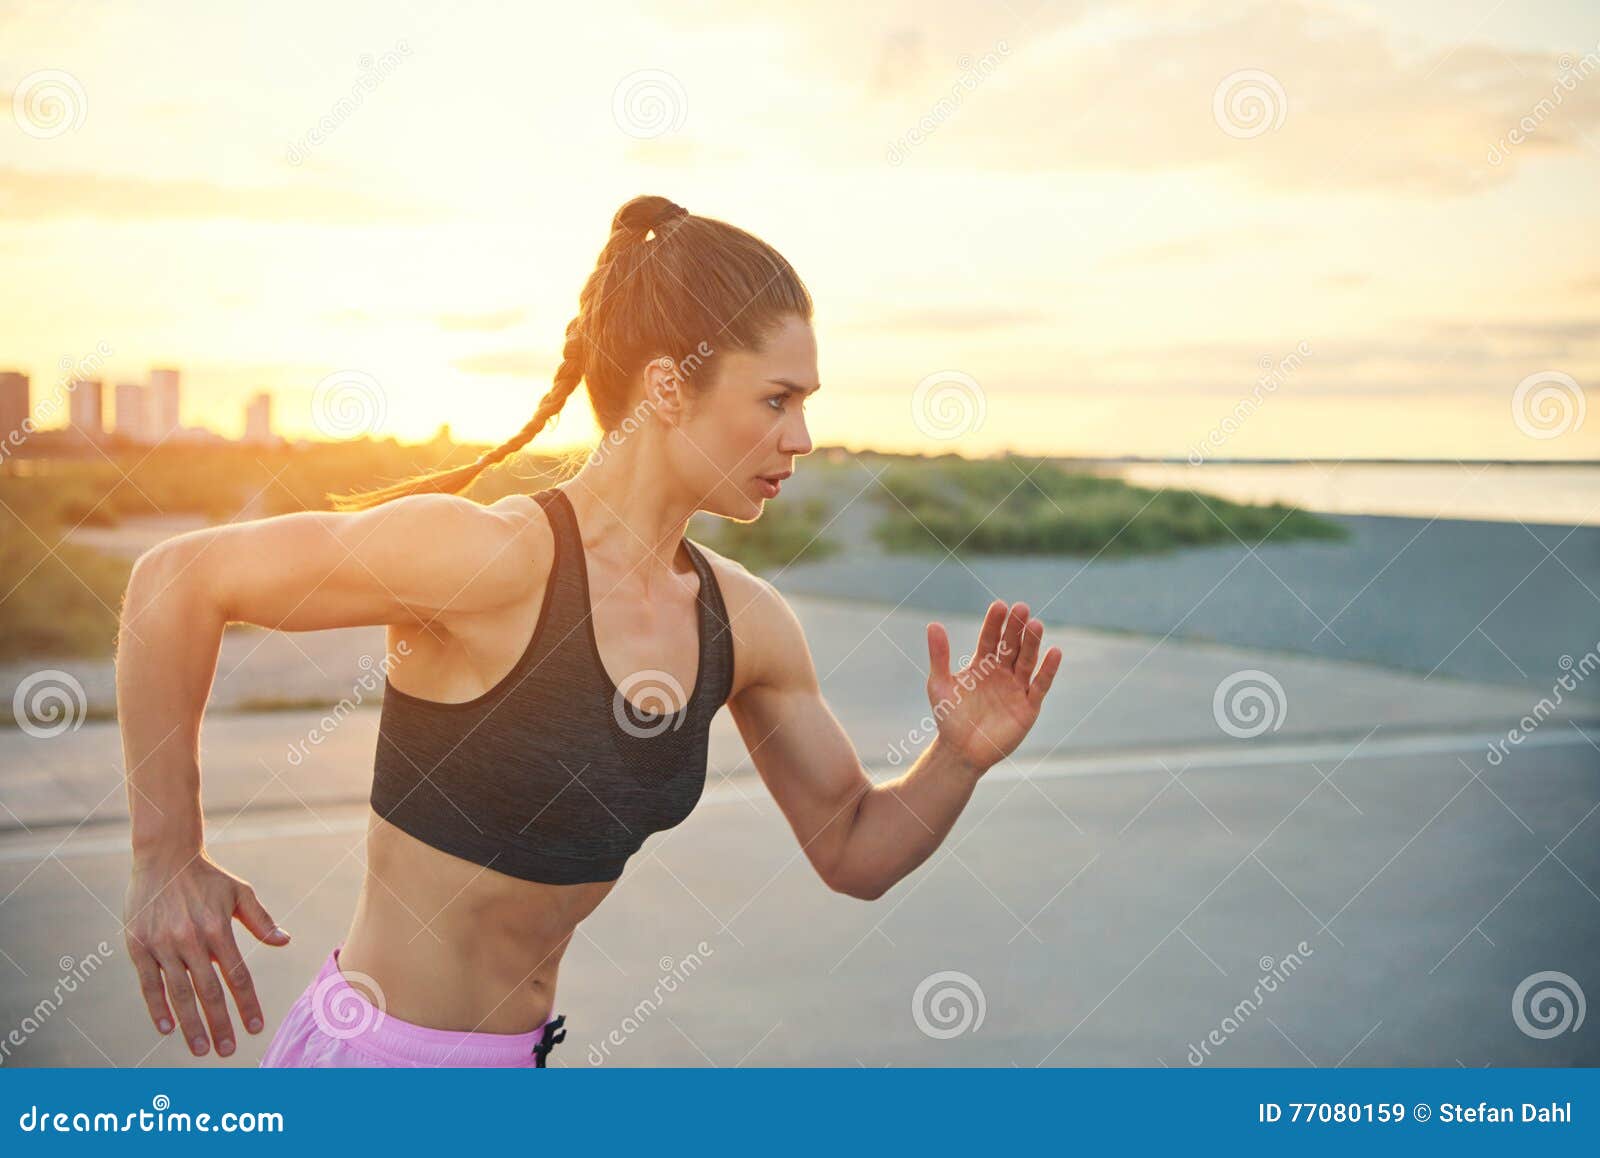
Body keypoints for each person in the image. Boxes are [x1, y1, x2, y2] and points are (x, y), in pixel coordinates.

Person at [116, 194, 1064, 1068]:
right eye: (777, 399)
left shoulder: (749, 625)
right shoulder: (487, 558)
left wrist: (958, 758)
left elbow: (854, 849)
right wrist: (167, 856)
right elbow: (175, 583)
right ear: (665, 387)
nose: (802, 437)